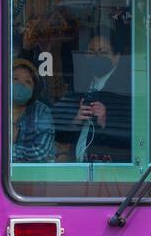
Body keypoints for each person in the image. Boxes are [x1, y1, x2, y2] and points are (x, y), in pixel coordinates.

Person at [54, 26, 132, 163]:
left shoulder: (127, 89)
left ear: (117, 57)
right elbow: (59, 134)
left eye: (103, 52)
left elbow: (136, 140)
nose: (96, 56)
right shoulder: (78, 85)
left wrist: (105, 122)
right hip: (77, 170)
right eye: (91, 51)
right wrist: (76, 120)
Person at [9, 59, 55, 163]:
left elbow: (42, 153)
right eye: (15, 79)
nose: (21, 84)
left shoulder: (41, 111)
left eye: (28, 81)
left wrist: (8, 151)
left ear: (34, 89)